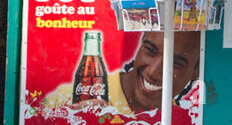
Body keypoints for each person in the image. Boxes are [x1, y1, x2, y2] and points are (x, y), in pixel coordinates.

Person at [46, 30, 202, 116]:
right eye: (149, 51)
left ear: (195, 71)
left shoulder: (179, 119)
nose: (153, 72)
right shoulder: (64, 100)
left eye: (175, 63)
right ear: (140, 47)